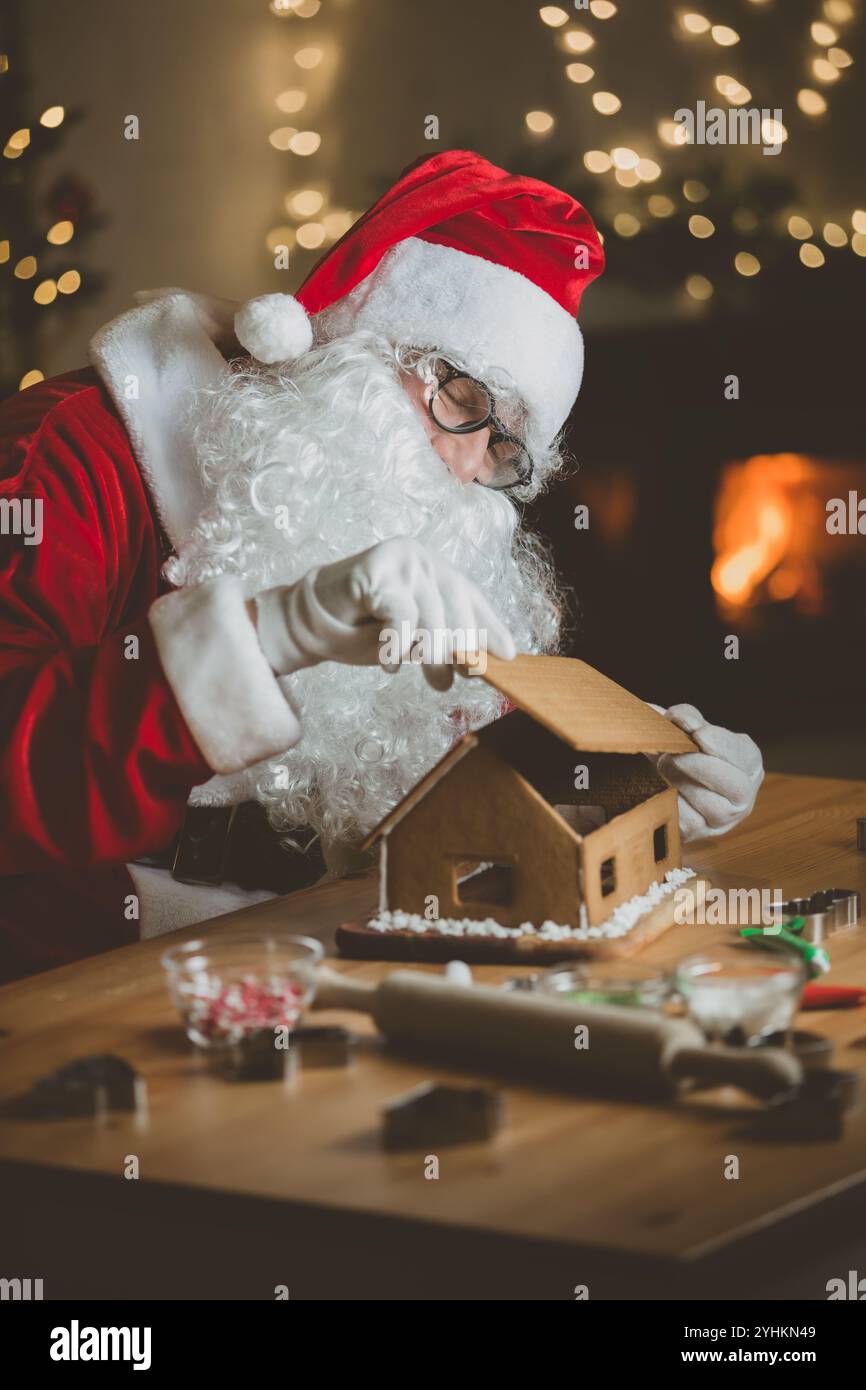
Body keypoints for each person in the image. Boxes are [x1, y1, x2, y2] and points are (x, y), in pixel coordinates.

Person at [0, 150, 763, 979]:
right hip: (85, 982)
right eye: (464, 402)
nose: (469, 470)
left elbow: (443, 769)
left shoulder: (415, 501)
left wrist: (628, 783)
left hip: (340, 956)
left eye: (506, 447)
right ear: (349, 348)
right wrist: (266, 637)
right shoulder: (70, 453)